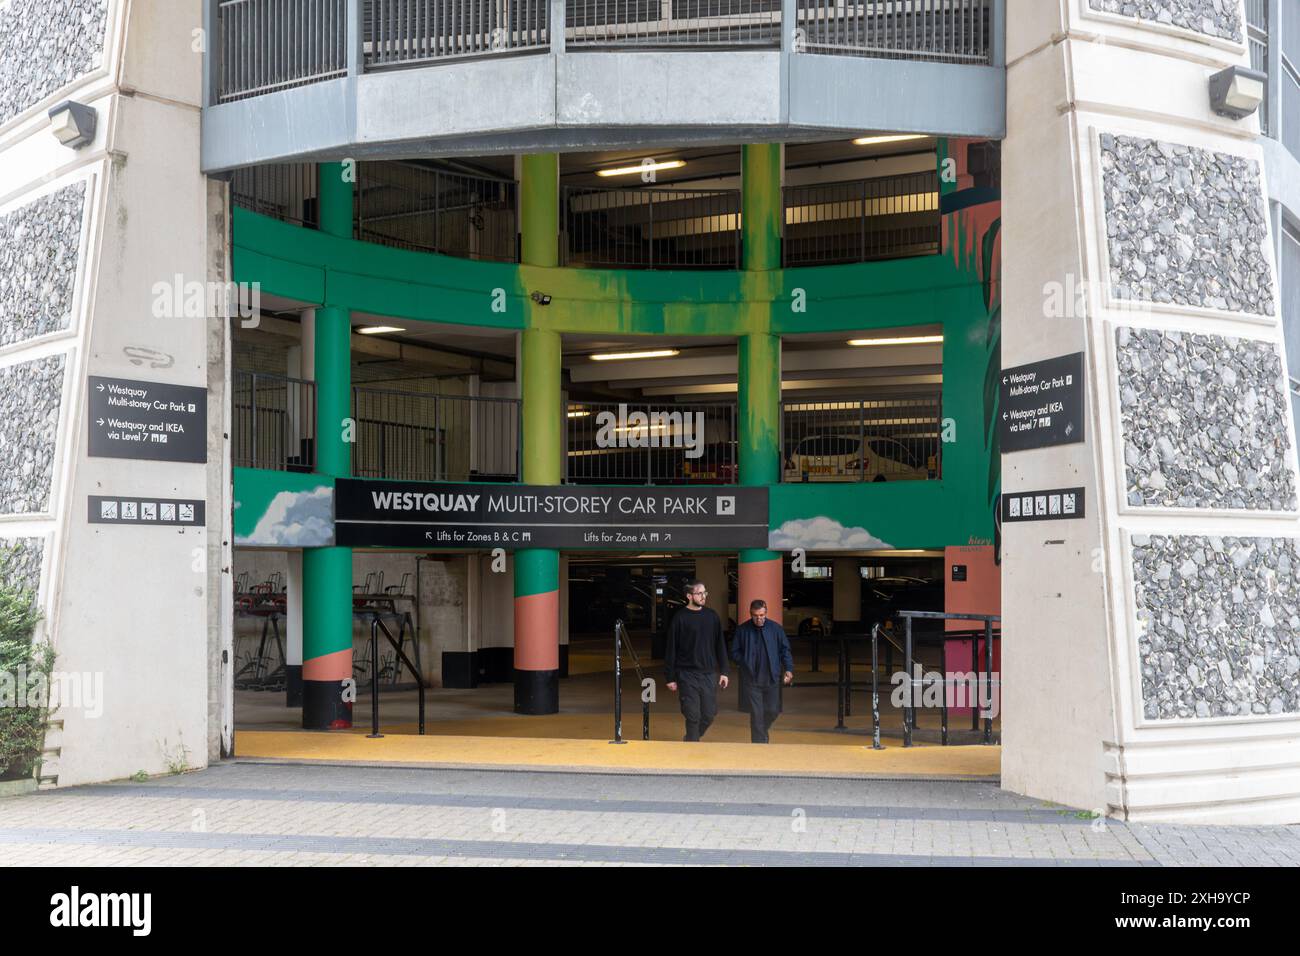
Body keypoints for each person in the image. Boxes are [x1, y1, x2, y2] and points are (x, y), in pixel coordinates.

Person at [665, 580, 729, 742]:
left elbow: (720, 645)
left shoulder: (712, 616)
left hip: (708, 674)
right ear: (689, 596)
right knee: (692, 716)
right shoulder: (680, 618)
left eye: (705, 593)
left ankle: (691, 739)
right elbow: (671, 648)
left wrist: (724, 671)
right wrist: (670, 677)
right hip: (687, 674)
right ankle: (692, 747)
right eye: (699, 593)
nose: (703, 596)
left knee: (708, 715)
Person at [729, 599, 794, 744]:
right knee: (756, 715)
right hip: (752, 680)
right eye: (755, 615)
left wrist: (789, 669)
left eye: (762, 615)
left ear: (766, 612)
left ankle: (762, 731)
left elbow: (785, 651)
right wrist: (744, 661)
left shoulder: (776, 629)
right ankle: (759, 746)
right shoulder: (742, 630)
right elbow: (734, 652)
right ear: (750, 614)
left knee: (772, 711)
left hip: (772, 678)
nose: (759, 618)